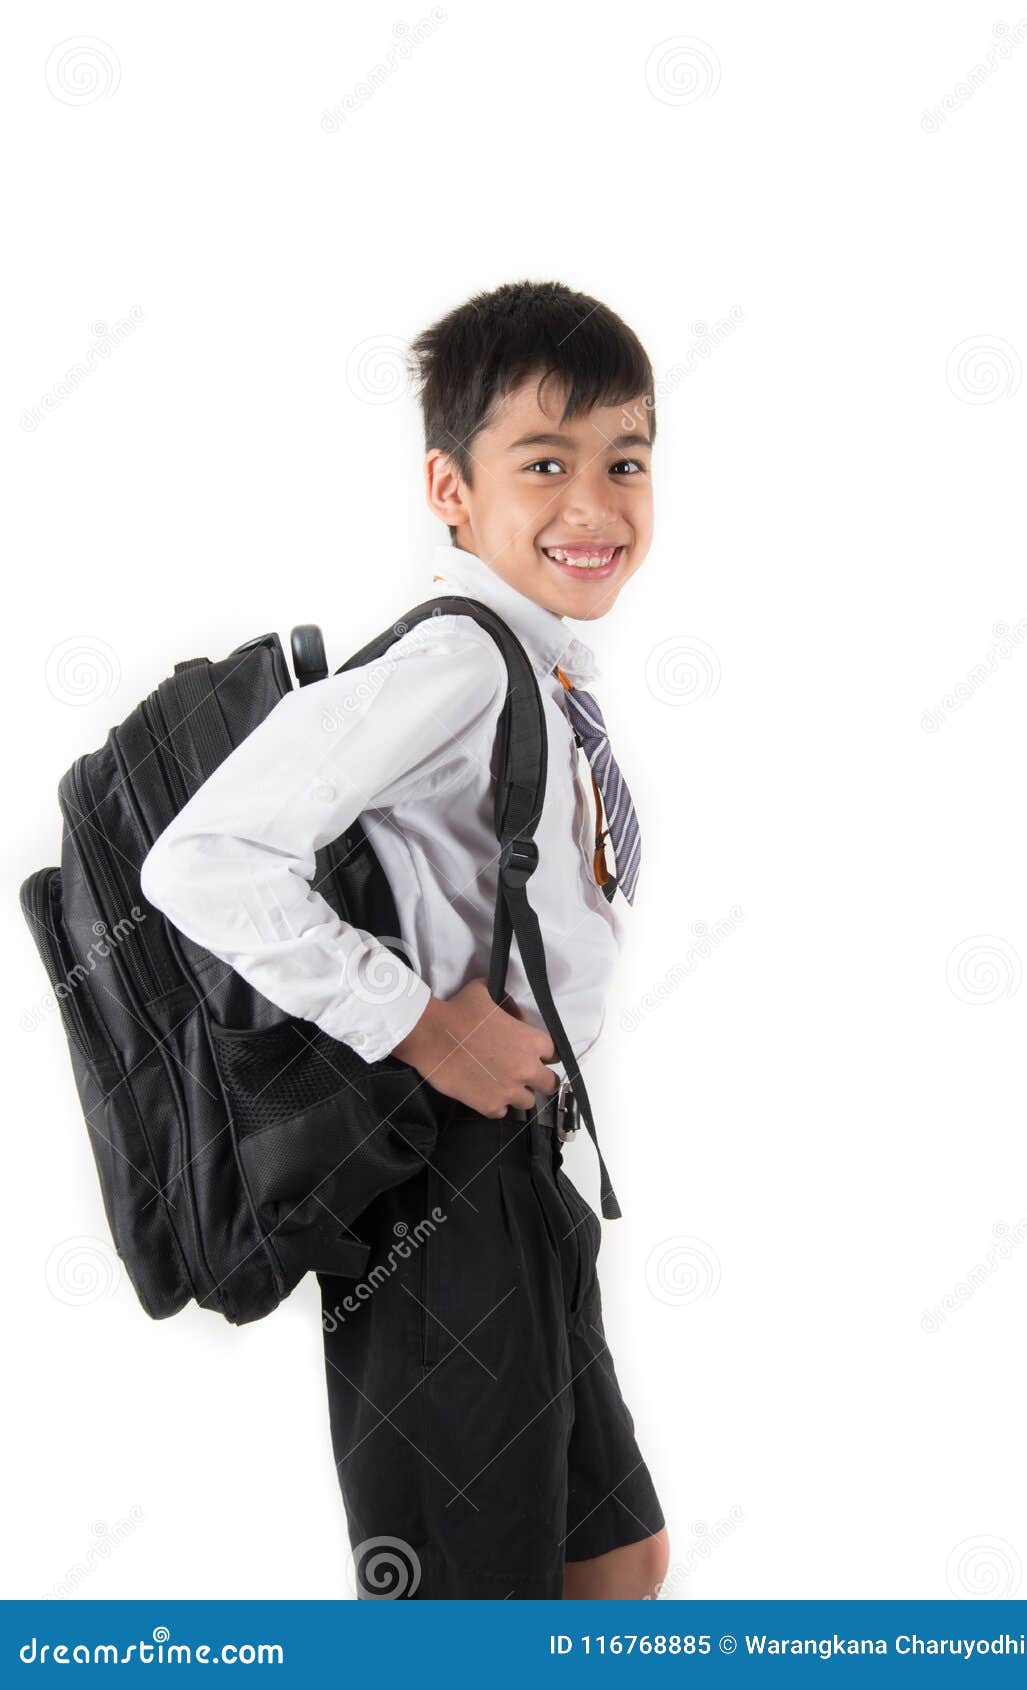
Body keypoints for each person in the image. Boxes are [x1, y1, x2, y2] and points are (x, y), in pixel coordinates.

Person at [140, 279, 669, 1600]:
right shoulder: (462, 661)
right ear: (451, 486)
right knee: (465, 1605)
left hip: (524, 1166)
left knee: (612, 1552)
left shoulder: (535, 666)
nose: (593, 506)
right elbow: (199, 858)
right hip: (442, 1191)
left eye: (626, 460)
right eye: (544, 463)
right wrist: (421, 1021)